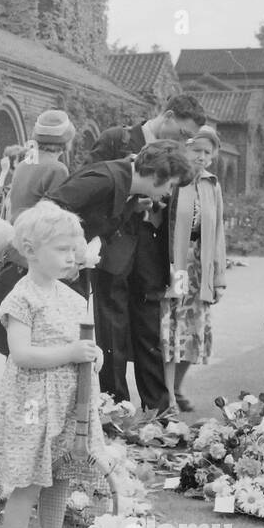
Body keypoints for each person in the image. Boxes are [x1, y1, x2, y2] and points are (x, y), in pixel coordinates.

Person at [0, 202, 109, 528]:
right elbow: (22, 354)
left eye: (73, 249)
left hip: (68, 402)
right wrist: (71, 353)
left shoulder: (73, 298)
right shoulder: (22, 298)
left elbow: (82, 343)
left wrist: (94, 357)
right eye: (60, 249)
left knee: (59, 478)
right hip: (33, 404)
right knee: (29, 480)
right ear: (30, 250)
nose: (70, 257)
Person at [85, 94, 207, 408]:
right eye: (181, 133)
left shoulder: (175, 154)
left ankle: (157, 407)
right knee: (111, 331)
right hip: (114, 246)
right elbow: (94, 187)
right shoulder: (117, 139)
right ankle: (116, 409)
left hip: (153, 250)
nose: (183, 141)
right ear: (166, 116)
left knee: (151, 329)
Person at [0, 111, 77, 356]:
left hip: (18, 248)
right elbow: (52, 217)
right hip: (38, 250)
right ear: (65, 141)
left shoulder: (25, 164)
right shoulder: (57, 169)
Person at [160, 126, 227, 413]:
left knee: (194, 330)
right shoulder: (174, 181)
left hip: (200, 266)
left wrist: (219, 276)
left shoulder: (212, 184)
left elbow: (219, 230)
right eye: (196, 150)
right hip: (176, 263)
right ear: (185, 150)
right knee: (171, 328)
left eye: (206, 152)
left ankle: (177, 387)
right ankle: (166, 393)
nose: (201, 157)